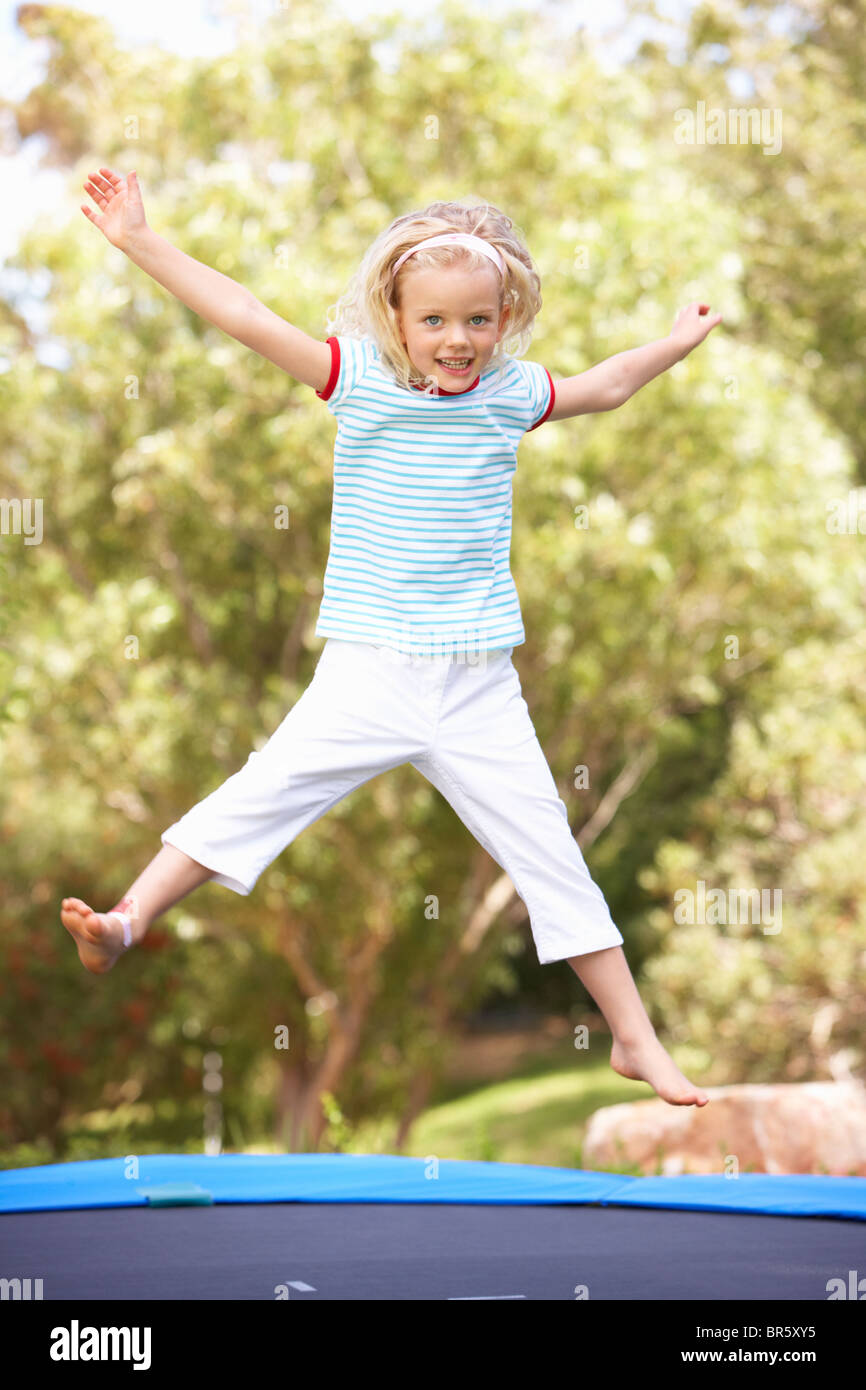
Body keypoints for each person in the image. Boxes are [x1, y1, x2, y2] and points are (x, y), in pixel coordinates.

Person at [64, 168, 722, 1107]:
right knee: (261, 794)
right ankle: (126, 922)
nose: (458, 340)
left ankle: (633, 1038)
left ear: (506, 317)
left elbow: (606, 386)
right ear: (396, 319)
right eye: (435, 320)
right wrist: (138, 239)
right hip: (370, 672)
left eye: (478, 320)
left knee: (551, 854)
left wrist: (674, 343)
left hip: (478, 684)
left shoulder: (510, 392)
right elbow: (245, 314)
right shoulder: (357, 379)